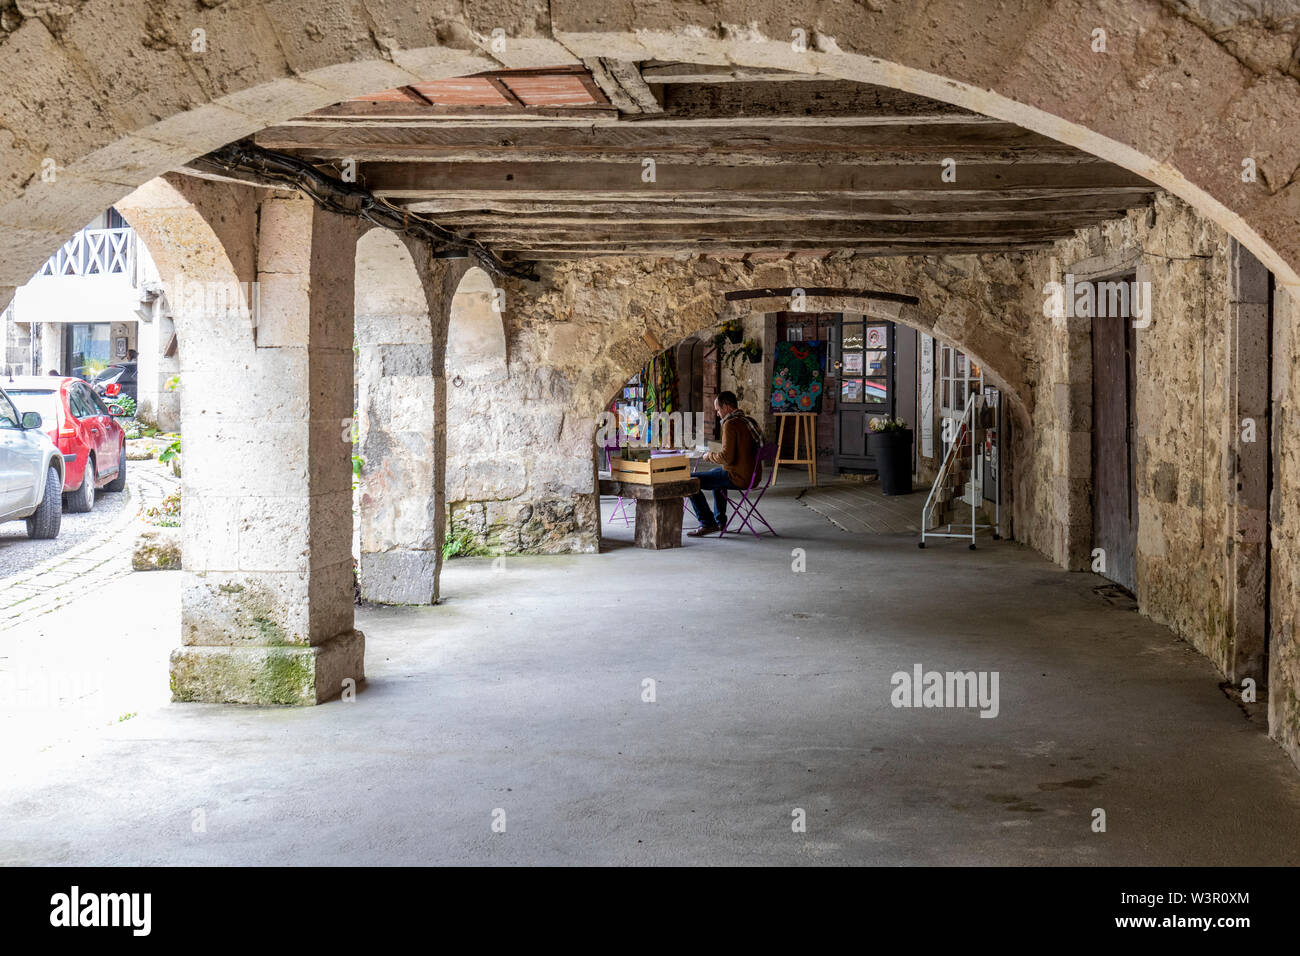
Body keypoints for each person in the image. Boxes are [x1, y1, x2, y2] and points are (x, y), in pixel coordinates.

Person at [686, 391, 764, 537]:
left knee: (689, 480)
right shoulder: (748, 421)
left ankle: (707, 523)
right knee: (716, 474)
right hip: (753, 476)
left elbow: (727, 458)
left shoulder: (730, 424)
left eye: (718, 410)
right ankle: (720, 521)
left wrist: (709, 456)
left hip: (738, 477)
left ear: (726, 407)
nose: (717, 414)